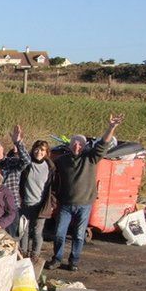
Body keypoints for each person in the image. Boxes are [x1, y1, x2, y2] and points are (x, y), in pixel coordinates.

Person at [47, 114, 124, 272]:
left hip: (84, 205)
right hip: (65, 205)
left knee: (79, 236)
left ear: (85, 146)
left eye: (80, 144)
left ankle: (74, 261)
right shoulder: (61, 161)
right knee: (59, 234)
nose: (77, 146)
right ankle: (57, 258)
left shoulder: (91, 158)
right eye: (74, 143)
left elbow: (103, 144)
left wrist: (111, 127)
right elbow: (48, 171)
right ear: (69, 145)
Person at [0, 125, 29, 236]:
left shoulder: (12, 162)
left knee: (10, 241)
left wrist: (18, 143)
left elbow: (26, 161)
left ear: (2, 149)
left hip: (11, 210)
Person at [19, 140, 56, 262]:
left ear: (46, 152)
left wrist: (52, 203)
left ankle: (35, 255)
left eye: (42, 150)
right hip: (25, 203)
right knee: (23, 231)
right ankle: (22, 253)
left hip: (41, 204)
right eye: (36, 149)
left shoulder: (50, 167)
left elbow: (54, 187)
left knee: (37, 232)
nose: (38, 152)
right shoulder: (27, 164)